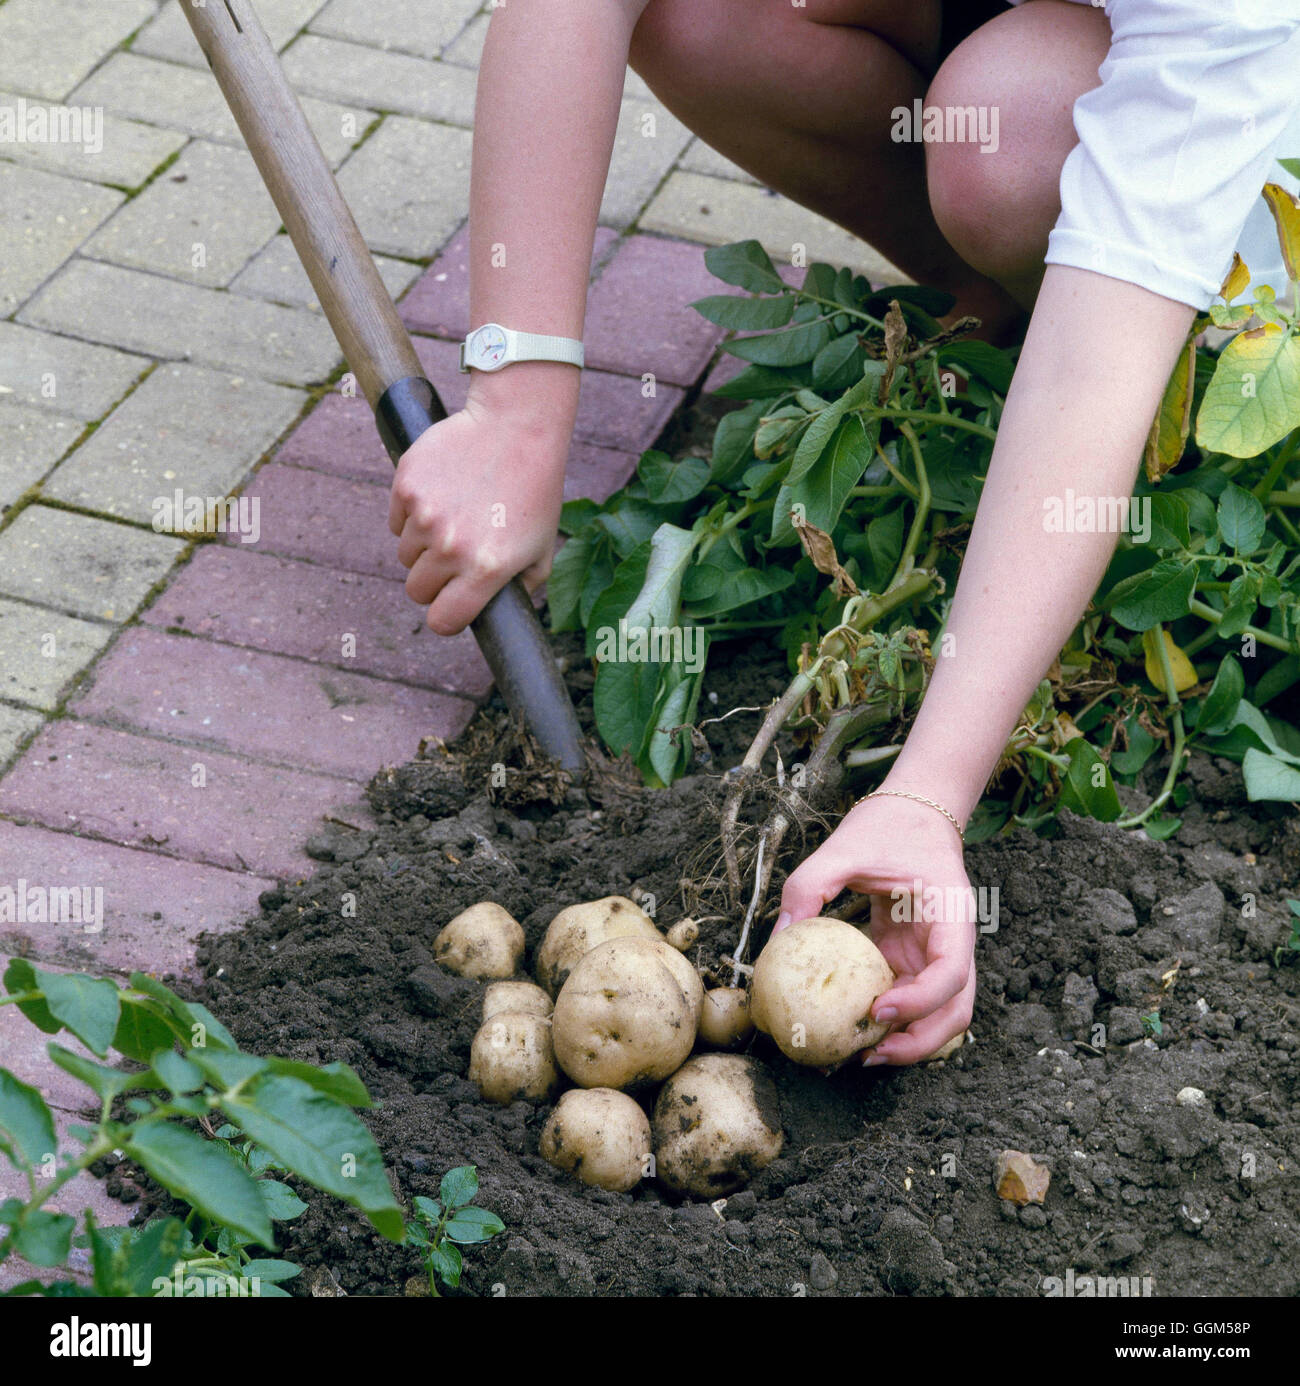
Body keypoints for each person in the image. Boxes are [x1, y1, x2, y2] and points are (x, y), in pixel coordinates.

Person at [388, 0, 1300, 1065]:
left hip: (1245, 145)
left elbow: (1094, 370)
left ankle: (1066, 293)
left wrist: (924, 795)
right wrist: (518, 404)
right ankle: (975, 295)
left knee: (999, 140)